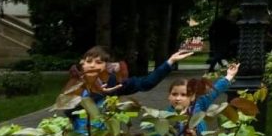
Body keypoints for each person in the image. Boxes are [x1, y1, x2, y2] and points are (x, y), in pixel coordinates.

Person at [57, 37, 205, 121]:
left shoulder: (114, 82)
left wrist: (170, 61)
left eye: (99, 62)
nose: (92, 66)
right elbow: (67, 110)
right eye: (88, 61)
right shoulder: (76, 83)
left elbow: (146, 84)